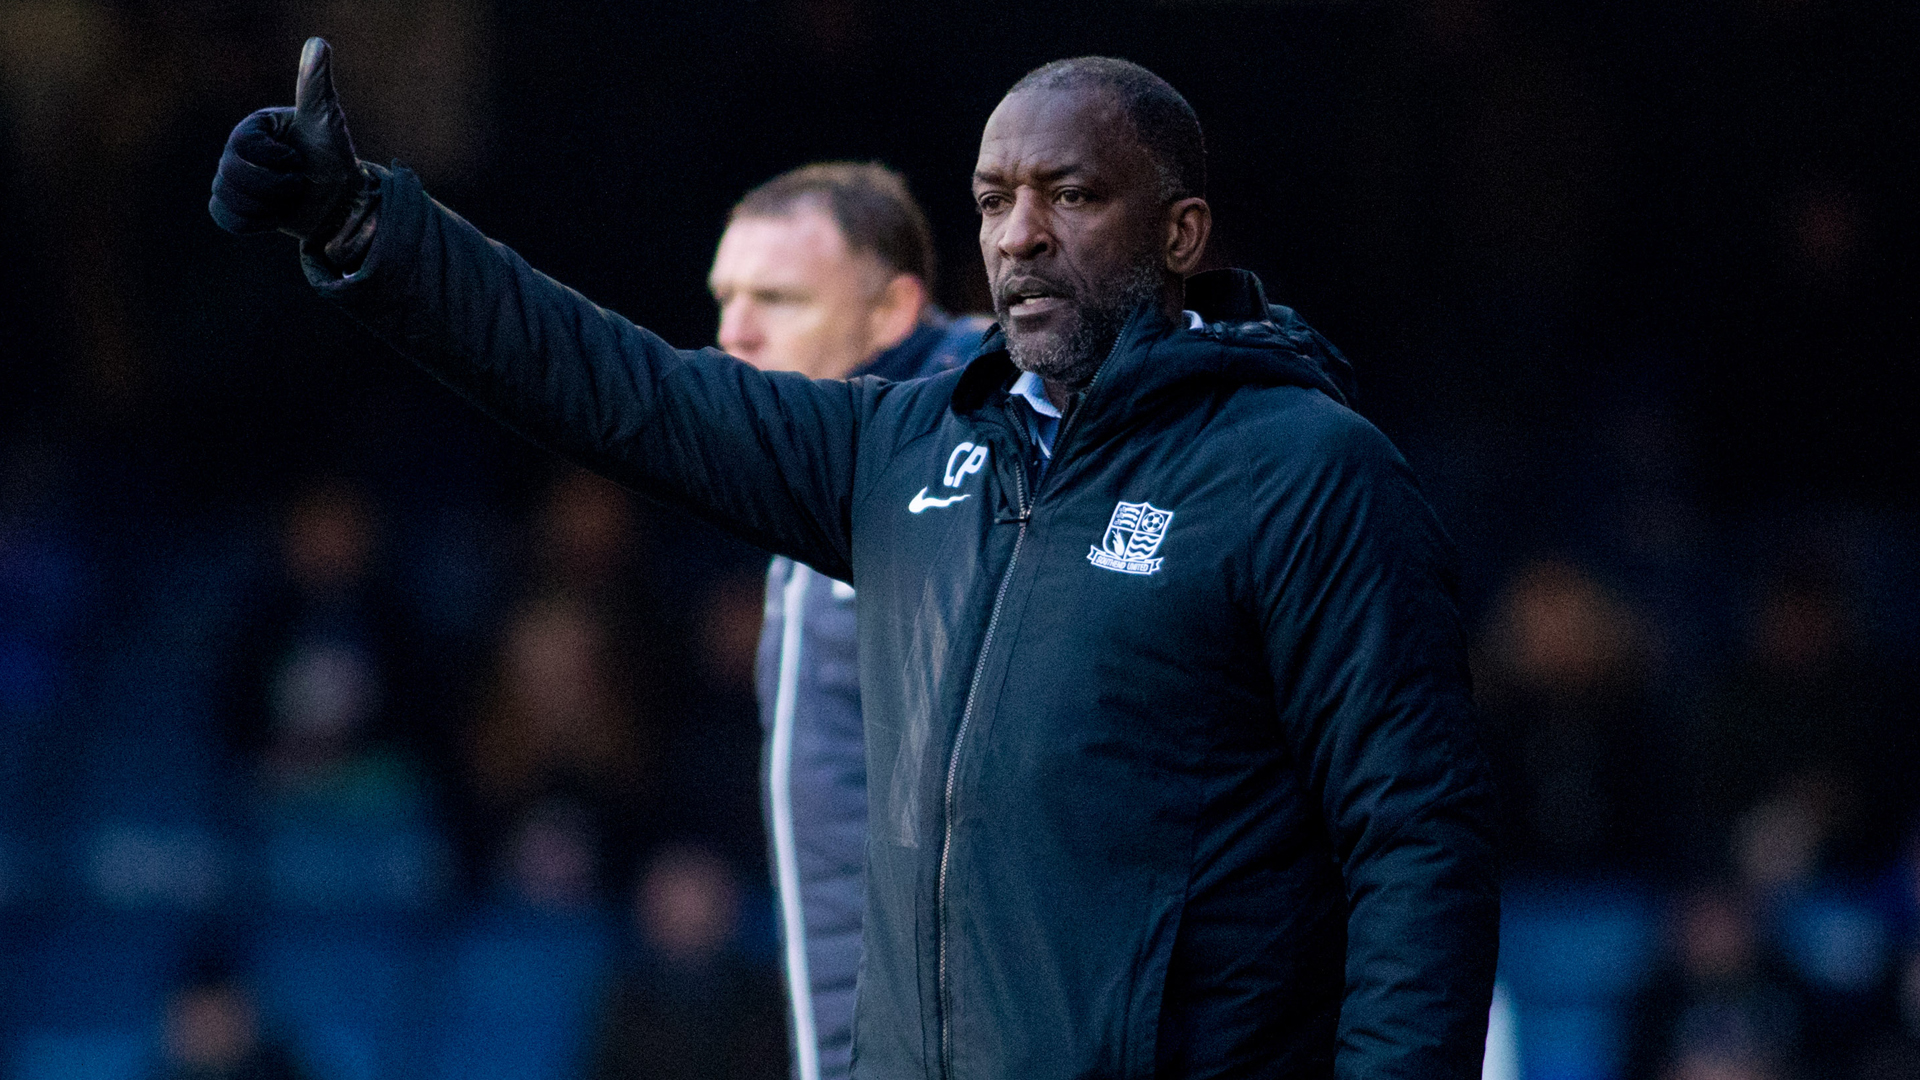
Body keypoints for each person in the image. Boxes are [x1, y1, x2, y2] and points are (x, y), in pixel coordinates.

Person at [211, 40, 1500, 1076]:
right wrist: (365, 228)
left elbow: (1418, 845)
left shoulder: (1305, 471)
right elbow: (619, 391)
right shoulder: (903, 451)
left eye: (1072, 195)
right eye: (993, 200)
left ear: (1181, 234)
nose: (1019, 235)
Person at [712, 162, 986, 1080]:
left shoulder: (914, 470)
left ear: (892, 310)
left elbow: (832, 858)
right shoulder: (842, 456)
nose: (733, 333)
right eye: (726, 297)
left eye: (777, 299)